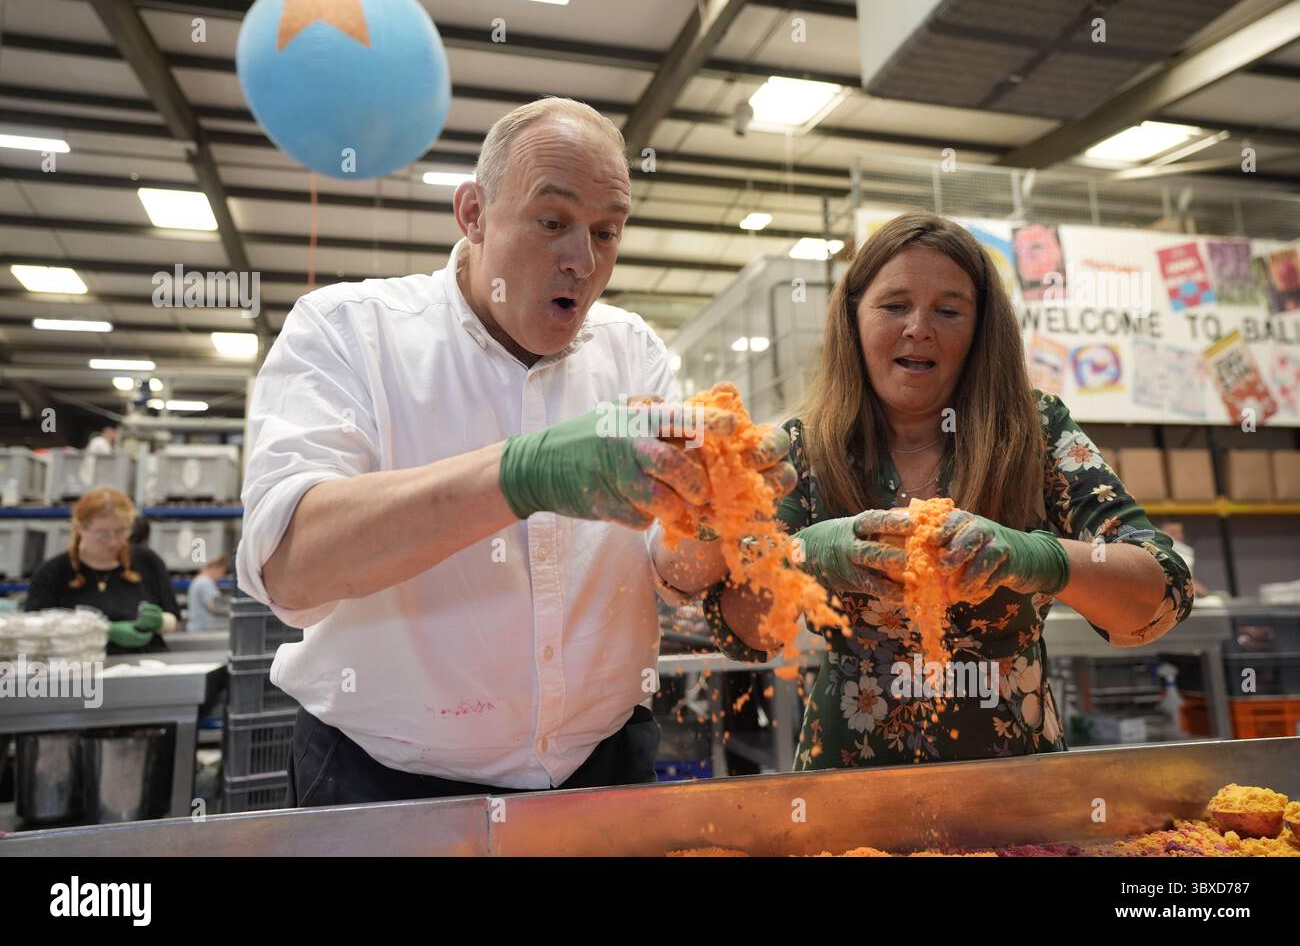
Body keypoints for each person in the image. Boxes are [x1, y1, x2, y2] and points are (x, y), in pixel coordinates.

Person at [236, 97, 792, 806]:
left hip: (602, 770)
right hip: (385, 785)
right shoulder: (350, 332)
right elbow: (289, 566)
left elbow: (669, 566)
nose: (582, 261)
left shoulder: (632, 351)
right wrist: (518, 475)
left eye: (606, 232)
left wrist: (719, 515)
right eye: (552, 222)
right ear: (473, 213)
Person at [652, 211, 1194, 769]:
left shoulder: (1036, 431)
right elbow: (744, 628)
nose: (919, 327)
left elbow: (1161, 593)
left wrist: (1040, 557)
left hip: (1019, 785)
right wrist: (804, 558)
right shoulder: (802, 448)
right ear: (853, 320)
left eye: (949, 310)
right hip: (849, 785)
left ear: (981, 329)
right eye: (894, 305)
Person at [25, 487, 181, 654]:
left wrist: (160, 622)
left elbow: (174, 618)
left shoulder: (147, 561)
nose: (114, 542)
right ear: (80, 528)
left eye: (121, 532)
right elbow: (35, 631)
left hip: (147, 664)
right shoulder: (53, 572)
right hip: (81, 669)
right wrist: (103, 632)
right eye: (102, 534)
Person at [186, 555, 228, 632]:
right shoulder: (206, 582)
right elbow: (214, 605)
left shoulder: (198, 580)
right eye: (222, 572)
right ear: (215, 568)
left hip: (196, 629)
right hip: (202, 630)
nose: (221, 576)